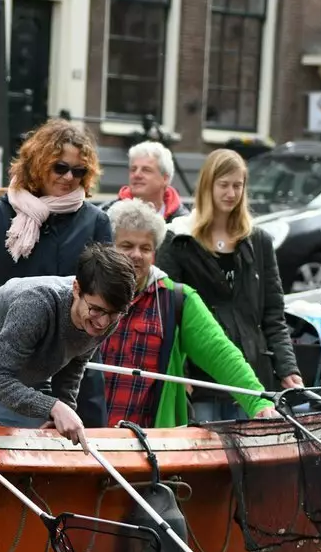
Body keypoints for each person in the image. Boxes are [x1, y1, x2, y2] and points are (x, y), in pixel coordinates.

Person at [0, 118, 114, 428]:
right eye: (60, 167)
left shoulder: (95, 221)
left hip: (70, 366)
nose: (69, 177)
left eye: (78, 171)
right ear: (39, 164)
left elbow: (106, 293)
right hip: (8, 361)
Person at [0, 243, 137, 450]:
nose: (103, 322)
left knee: (49, 452)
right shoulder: (37, 302)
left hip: (19, 382)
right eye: (96, 310)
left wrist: (62, 409)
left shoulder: (109, 316)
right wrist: (54, 407)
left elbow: (73, 366)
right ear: (77, 289)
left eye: (114, 314)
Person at [102, 200, 275, 428]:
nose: (136, 255)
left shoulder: (176, 299)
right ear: (109, 246)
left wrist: (258, 402)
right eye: (126, 246)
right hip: (85, 437)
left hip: (147, 444)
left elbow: (220, 353)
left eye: (145, 248)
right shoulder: (87, 290)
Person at [158, 149, 301, 422]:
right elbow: (167, 315)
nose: (231, 193)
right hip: (202, 379)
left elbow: (273, 313)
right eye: (223, 185)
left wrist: (287, 367)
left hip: (252, 372)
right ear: (207, 186)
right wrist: (181, 372)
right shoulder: (178, 240)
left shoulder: (258, 241)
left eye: (238, 185)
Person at [100, 141, 189, 221]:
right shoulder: (106, 215)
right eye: (133, 169)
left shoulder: (183, 222)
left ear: (165, 178)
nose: (137, 175)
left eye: (146, 170)